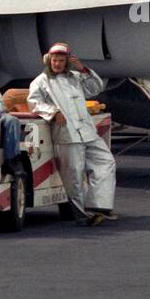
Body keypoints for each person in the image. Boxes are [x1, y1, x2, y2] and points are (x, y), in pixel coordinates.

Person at [27, 43, 116, 226]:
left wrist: (83, 69)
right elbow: (34, 103)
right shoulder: (41, 81)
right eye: (54, 60)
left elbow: (96, 88)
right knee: (73, 176)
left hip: (87, 131)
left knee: (106, 161)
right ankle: (82, 215)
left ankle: (99, 206)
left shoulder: (76, 77)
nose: (57, 64)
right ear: (48, 60)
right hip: (66, 135)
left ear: (68, 61)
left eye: (61, 60)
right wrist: (53, 112)